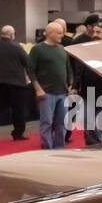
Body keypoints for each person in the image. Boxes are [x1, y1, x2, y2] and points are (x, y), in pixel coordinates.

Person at [28, 21, 73, 149]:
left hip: (62, 93)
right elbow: (31, 70)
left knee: (61, 123)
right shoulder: (37, 49)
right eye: (59, 33)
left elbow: (68, 69)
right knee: (47, 123)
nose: (61, 35)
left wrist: (70, 85)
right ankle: (47, 149)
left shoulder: (62, 50)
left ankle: (59, 148)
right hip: (46, 93)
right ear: (49, 33)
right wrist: (38, 89)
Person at [0, 25, 31, 142]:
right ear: (11, 35)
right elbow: (27, 62)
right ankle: (18, 133)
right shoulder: (17, 47)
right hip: (16, 83)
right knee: (18, 108)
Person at [78, 21, 102, 145]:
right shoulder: (88, 50)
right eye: (94, 32)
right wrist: (75, 86)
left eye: (98, 32)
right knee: (86, 123)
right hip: (86, 94)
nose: (95, 34)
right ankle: (93, 147)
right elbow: (81, 70)